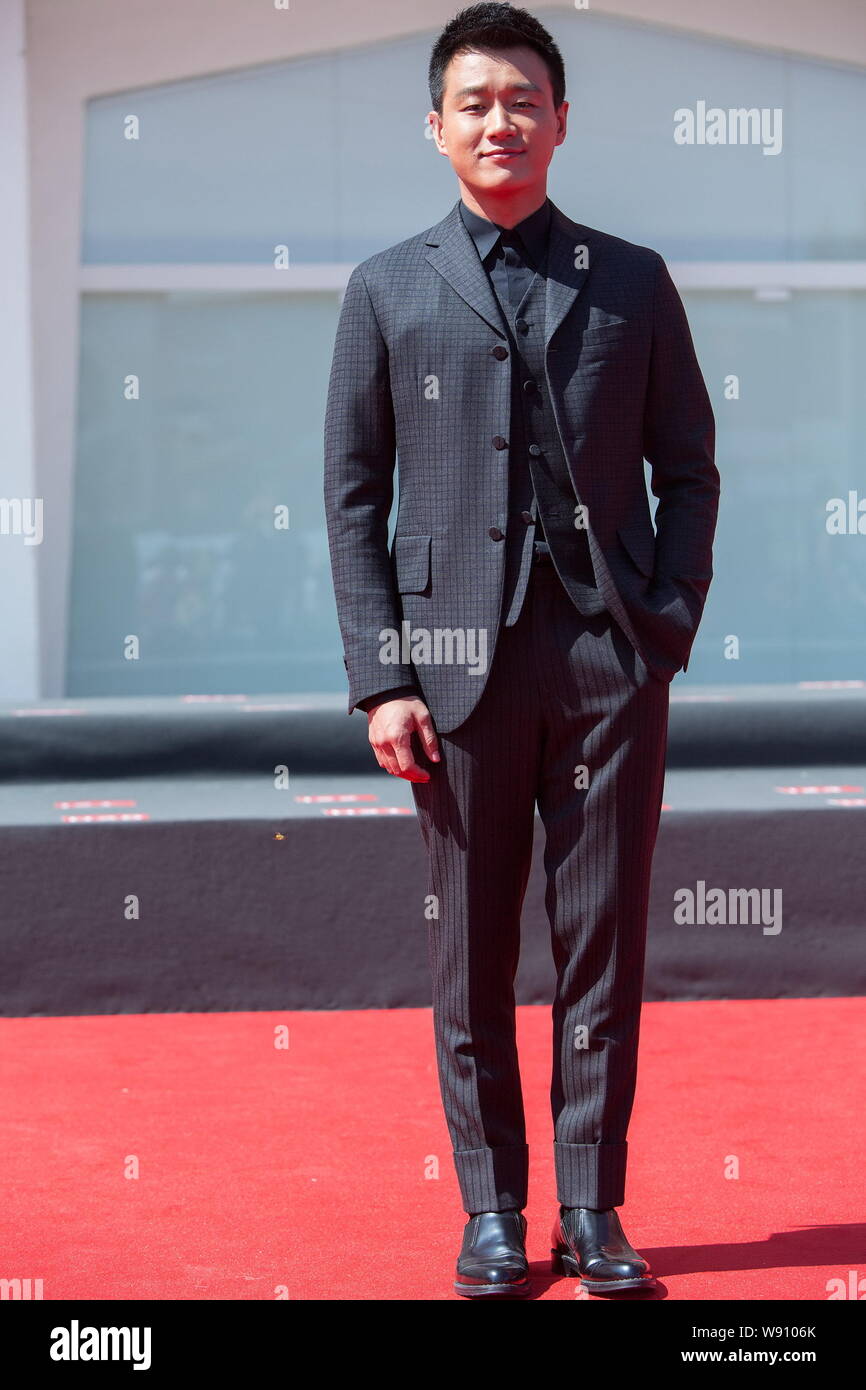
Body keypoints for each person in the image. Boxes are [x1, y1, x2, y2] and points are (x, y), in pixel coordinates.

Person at [324, 1, 719, 1298]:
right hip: (450, 671)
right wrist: (381, 673)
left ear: (560, 119)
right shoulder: (384, 287)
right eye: (476, 101)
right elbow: (352, 495)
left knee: (601, 942)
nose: (501, 120)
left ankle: (591, 1204)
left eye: (524, 99)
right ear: (435, 126)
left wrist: (660, 624)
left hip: (608, 665)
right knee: (471, 949)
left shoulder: (631, 279)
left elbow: (688, 470)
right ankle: (492, 1208)